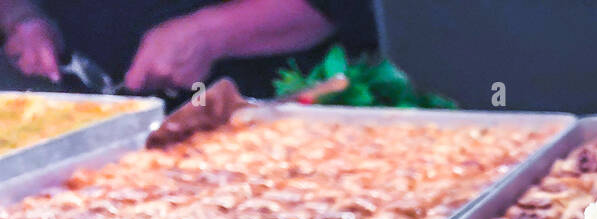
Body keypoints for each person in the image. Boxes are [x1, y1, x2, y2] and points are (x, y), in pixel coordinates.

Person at [0, 0, 377, 97]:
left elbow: (345, 7)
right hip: (68, 107)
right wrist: (21, 17)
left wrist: (209, 33)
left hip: (251, 113)